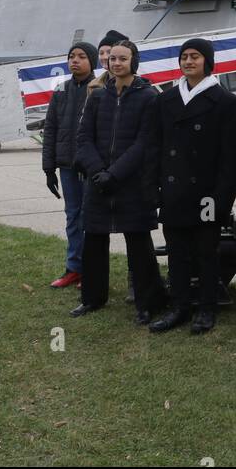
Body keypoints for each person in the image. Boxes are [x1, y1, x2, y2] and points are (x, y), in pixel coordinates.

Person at [147, 39, 236, 335]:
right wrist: (154, 188)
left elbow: (232, 160)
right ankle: (179, 307)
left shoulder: (226, 102)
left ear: (207, 61)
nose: (188, 61)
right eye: (184, 57)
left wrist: (220, 200)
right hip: (174, 192)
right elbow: (155, 148)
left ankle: (206, 308)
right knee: (177, 253)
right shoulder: (164, 100)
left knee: (205, 252)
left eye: (195, 57)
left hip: (206, 195)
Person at [73, 40, 169, 322]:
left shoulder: (148, 97)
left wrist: (114, 174)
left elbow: (145, 143)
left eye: (122, 59)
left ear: (133, 61)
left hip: (131, 183)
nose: (116, 63)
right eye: (112, 59)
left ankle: (147, 302)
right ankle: (92, 298)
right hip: (99, 181)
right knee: (94, 243)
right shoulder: (98, 97)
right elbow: (84, 138)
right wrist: (97, 171)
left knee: (139, 246)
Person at [44, 42, 98, 289]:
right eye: (71, 56)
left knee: (90, 218)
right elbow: (51, 129)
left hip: (90, 167)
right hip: (67, 166)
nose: (75, 60)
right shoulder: (61, 91)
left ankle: (92, 268)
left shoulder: (100, 89)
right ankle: (74, 268)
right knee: (72, 217)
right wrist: (48, 168)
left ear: (92, 61)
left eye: (82, 56)